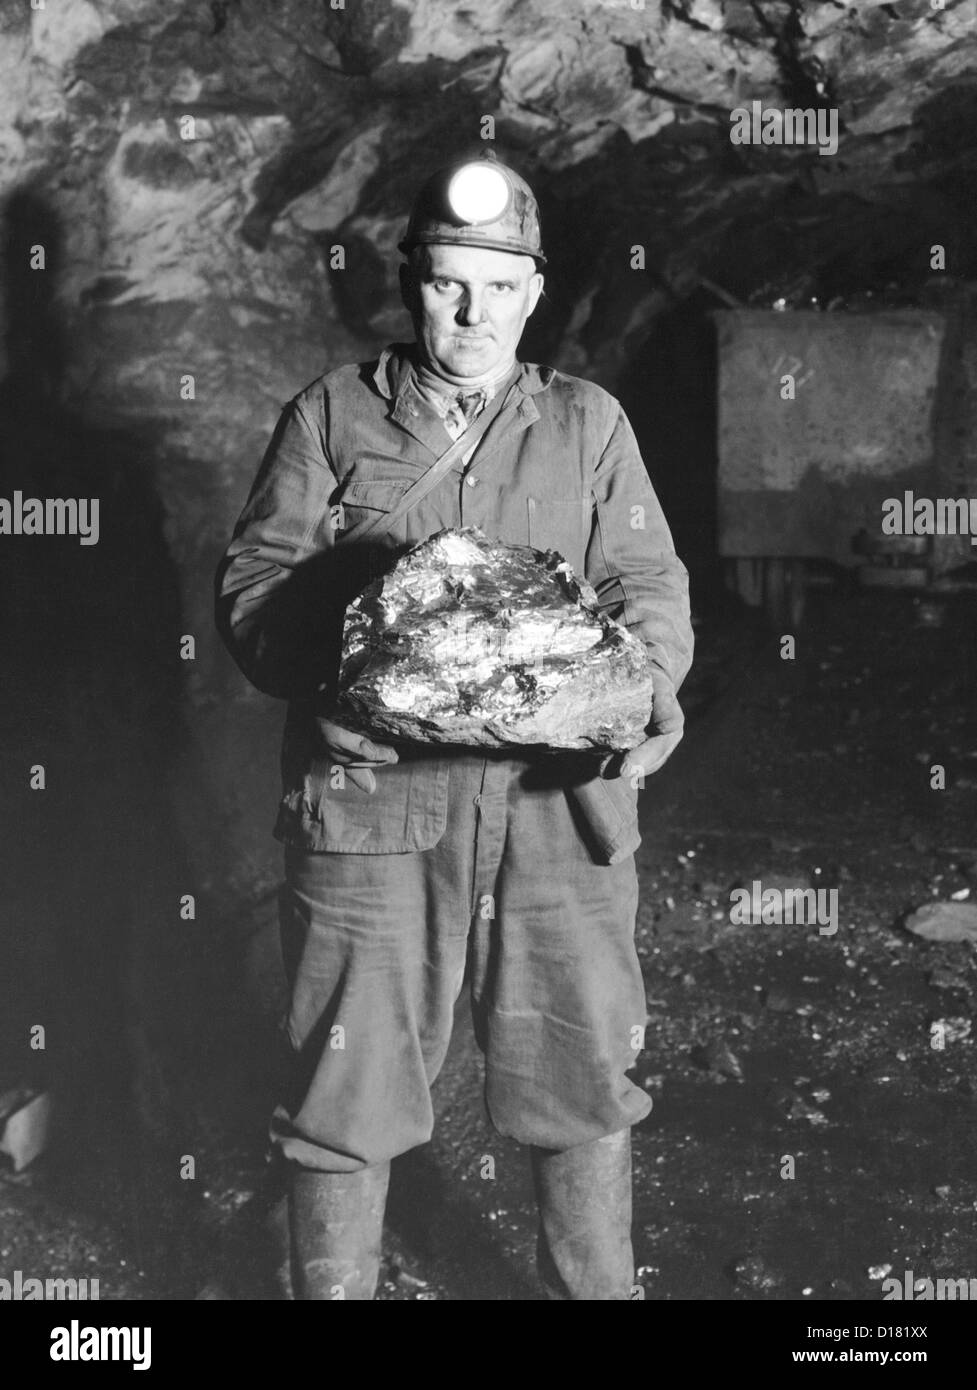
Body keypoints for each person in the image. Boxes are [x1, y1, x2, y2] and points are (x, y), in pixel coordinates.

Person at [215, 149, 694, 1300]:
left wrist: (639, 694)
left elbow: (647, 588)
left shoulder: (587, 425)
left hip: (553, 809)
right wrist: (338, 679)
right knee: (348, 1084)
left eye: (496, 283)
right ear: (410, 282)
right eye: (445, 282)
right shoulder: (330, 417)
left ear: (534, 292)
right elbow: (252, 587)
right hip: (375, 812)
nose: (470, 311)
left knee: (578, 1076)